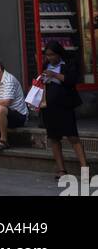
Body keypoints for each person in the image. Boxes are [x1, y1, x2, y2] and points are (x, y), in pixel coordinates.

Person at [37, 40, 87, 181]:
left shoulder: (68, 64)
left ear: (59, 54)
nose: (49, 58)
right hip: (50, 108)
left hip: (65, 106)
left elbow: (72, 80)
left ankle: (84, 169)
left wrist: (53, 75)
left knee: (73, 137)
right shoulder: (46, 65)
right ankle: (61, 170)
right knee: (54, 138)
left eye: (52, 55)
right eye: (47, 55)